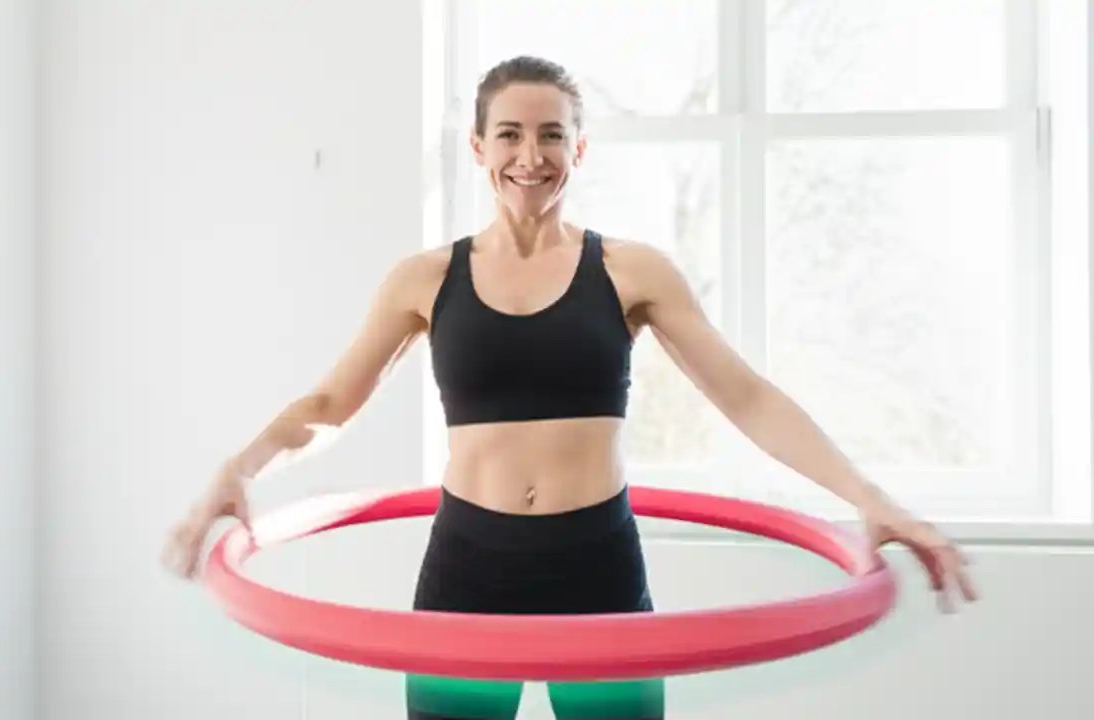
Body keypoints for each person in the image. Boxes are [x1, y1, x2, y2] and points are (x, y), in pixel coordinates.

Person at [162, 55, 979, 720]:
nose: (531, 156)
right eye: (509, 134)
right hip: (467, 570)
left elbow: (747, 397)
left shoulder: (631, 271)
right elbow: (327, 408)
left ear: (579, 150)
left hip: (596, 566)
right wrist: (241, 468)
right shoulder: (424, 279)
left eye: (552, 135)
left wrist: (868, 496)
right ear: (477, 148)